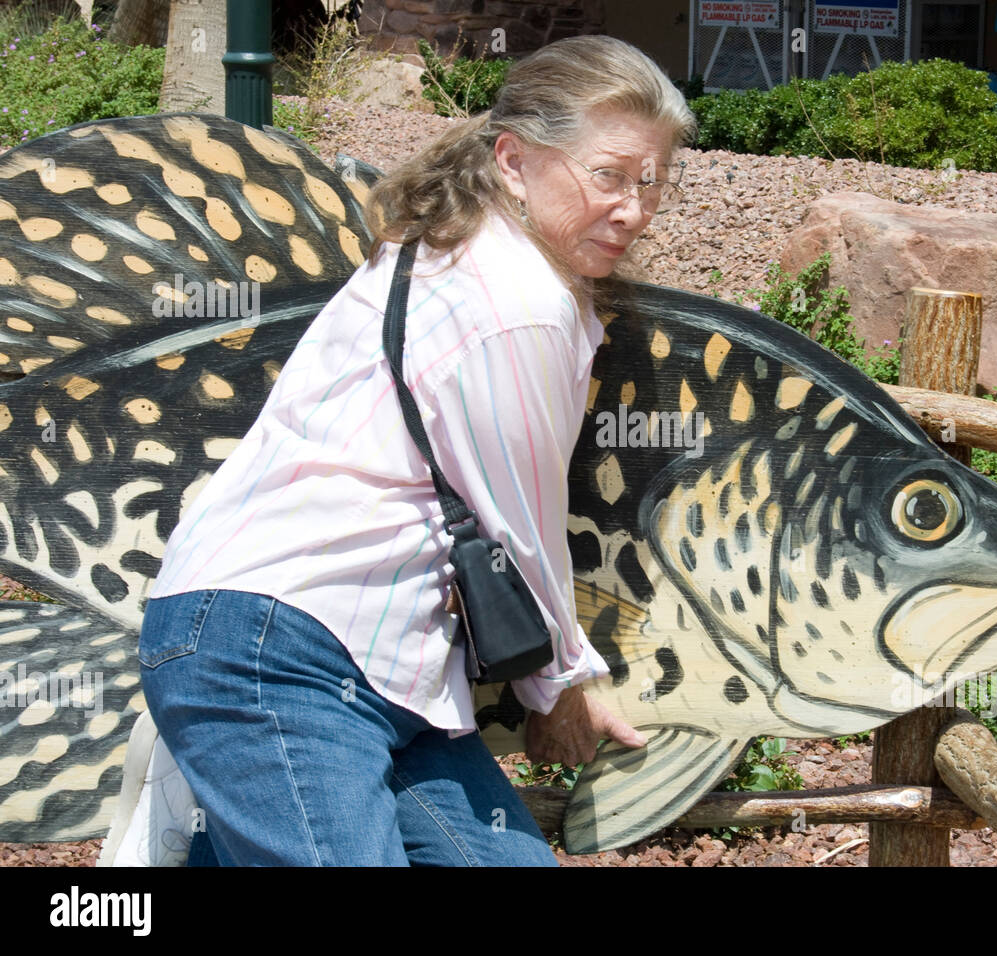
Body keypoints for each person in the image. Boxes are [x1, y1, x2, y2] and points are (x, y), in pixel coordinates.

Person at [122, 35, 697, 866]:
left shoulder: (464, 252)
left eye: (650, 183)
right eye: (608, 176)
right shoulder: (516, 297)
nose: (633, 209)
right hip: (277, 648)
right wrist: (563, 681)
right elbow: (517, 521)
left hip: (370, 668)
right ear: (512, 160)